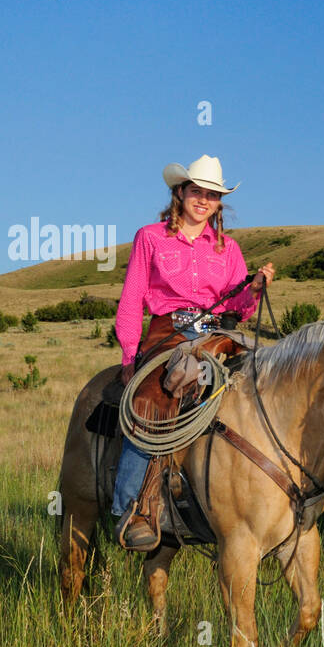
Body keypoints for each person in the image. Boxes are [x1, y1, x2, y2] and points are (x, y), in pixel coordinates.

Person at [112, 155, 274, 550]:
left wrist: (253, 290)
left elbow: (237, 308)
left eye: (212, 195)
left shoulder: (228, 248)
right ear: (180, 192)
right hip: (170, 332)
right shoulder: (150, 237)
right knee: (154, 395)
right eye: (197, 191)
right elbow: (133, 298)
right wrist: (130, 356)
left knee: (268, 381)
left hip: (219, 334)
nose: (203, 200)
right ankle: (133, 507)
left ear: (219, 203)